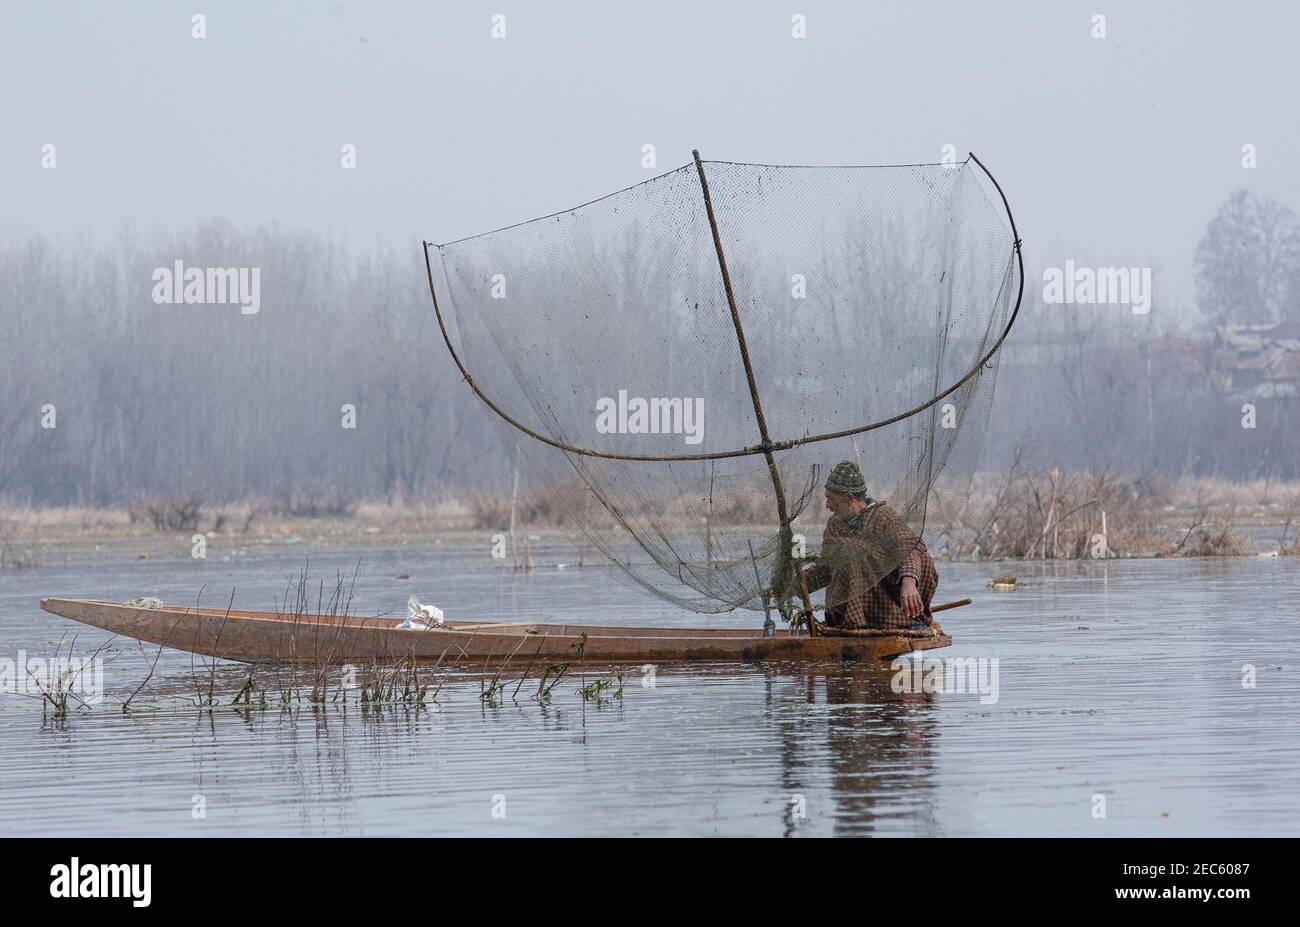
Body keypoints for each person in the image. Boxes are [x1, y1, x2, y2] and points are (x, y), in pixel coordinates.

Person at [800, 460, 938, 631]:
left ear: (848, 498)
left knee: (917, 556)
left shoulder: (883, 517)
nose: (827, 505)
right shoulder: (835, 525)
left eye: (830, 498)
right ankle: (855, 621)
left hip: (888, 610)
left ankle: (901, 619)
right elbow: (825, 569)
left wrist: (908, 582)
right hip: (848, 616)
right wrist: (786, 588)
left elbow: (908, 548)